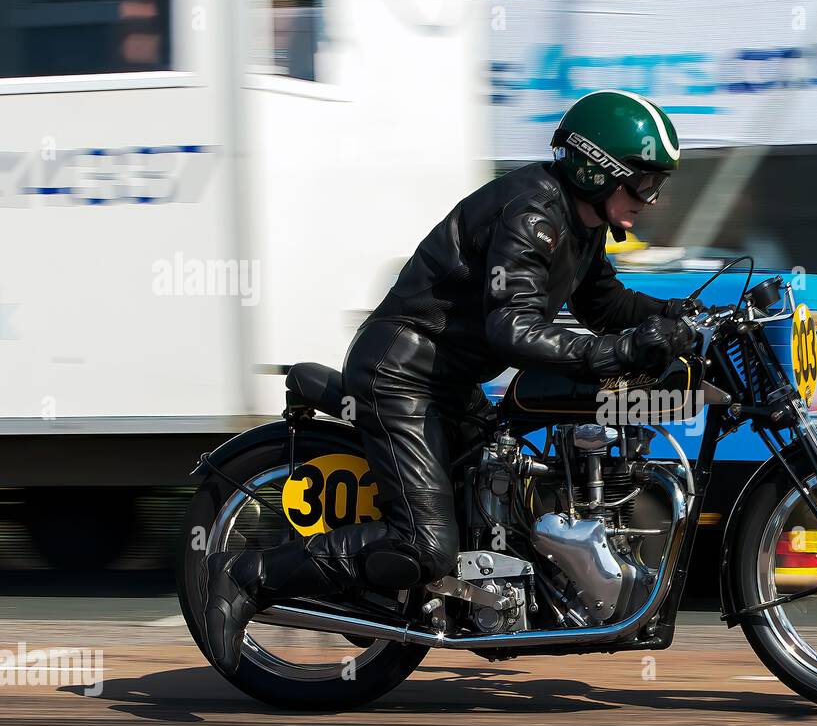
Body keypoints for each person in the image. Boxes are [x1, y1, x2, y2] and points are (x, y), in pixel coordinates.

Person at [202, 90, 696, 677]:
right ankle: (249, 576)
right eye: (642, 183)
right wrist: (616, 353)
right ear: (597, 169)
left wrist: (681, 316)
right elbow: (513, 328)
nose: (651, 198)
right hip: (402, 376)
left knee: (500, 505)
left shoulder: (582, 223)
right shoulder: (534, 213)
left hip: (449, 382)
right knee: (428, 547)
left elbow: (606, 303)